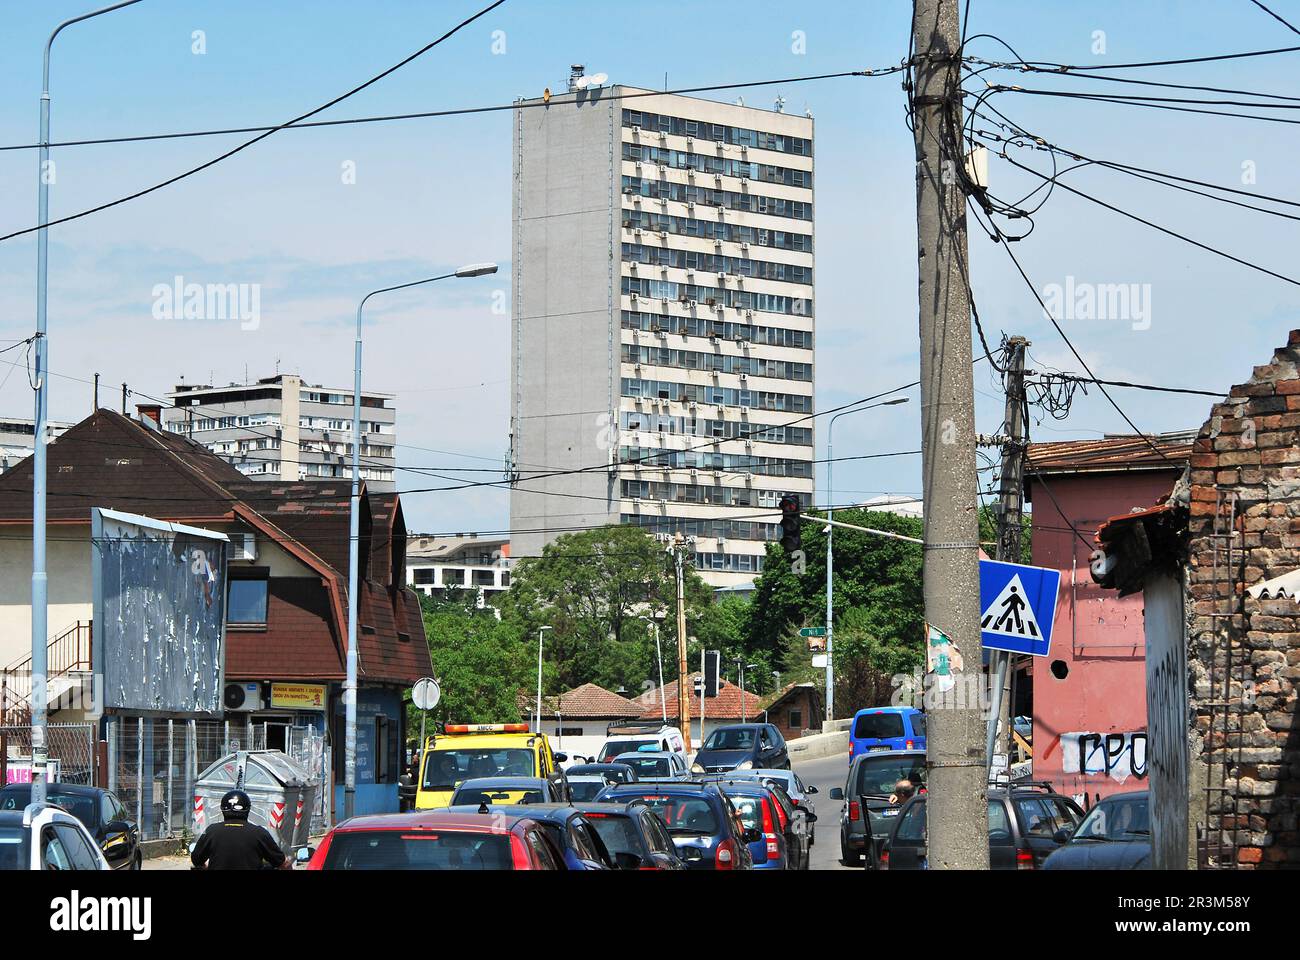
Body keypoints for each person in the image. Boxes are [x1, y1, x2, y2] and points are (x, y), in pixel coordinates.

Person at [191, 789, 290, 871]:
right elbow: (283, 863)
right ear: (247, 809)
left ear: (222, 809)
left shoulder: (211, 831)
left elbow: (196, 860)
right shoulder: (259, 833)